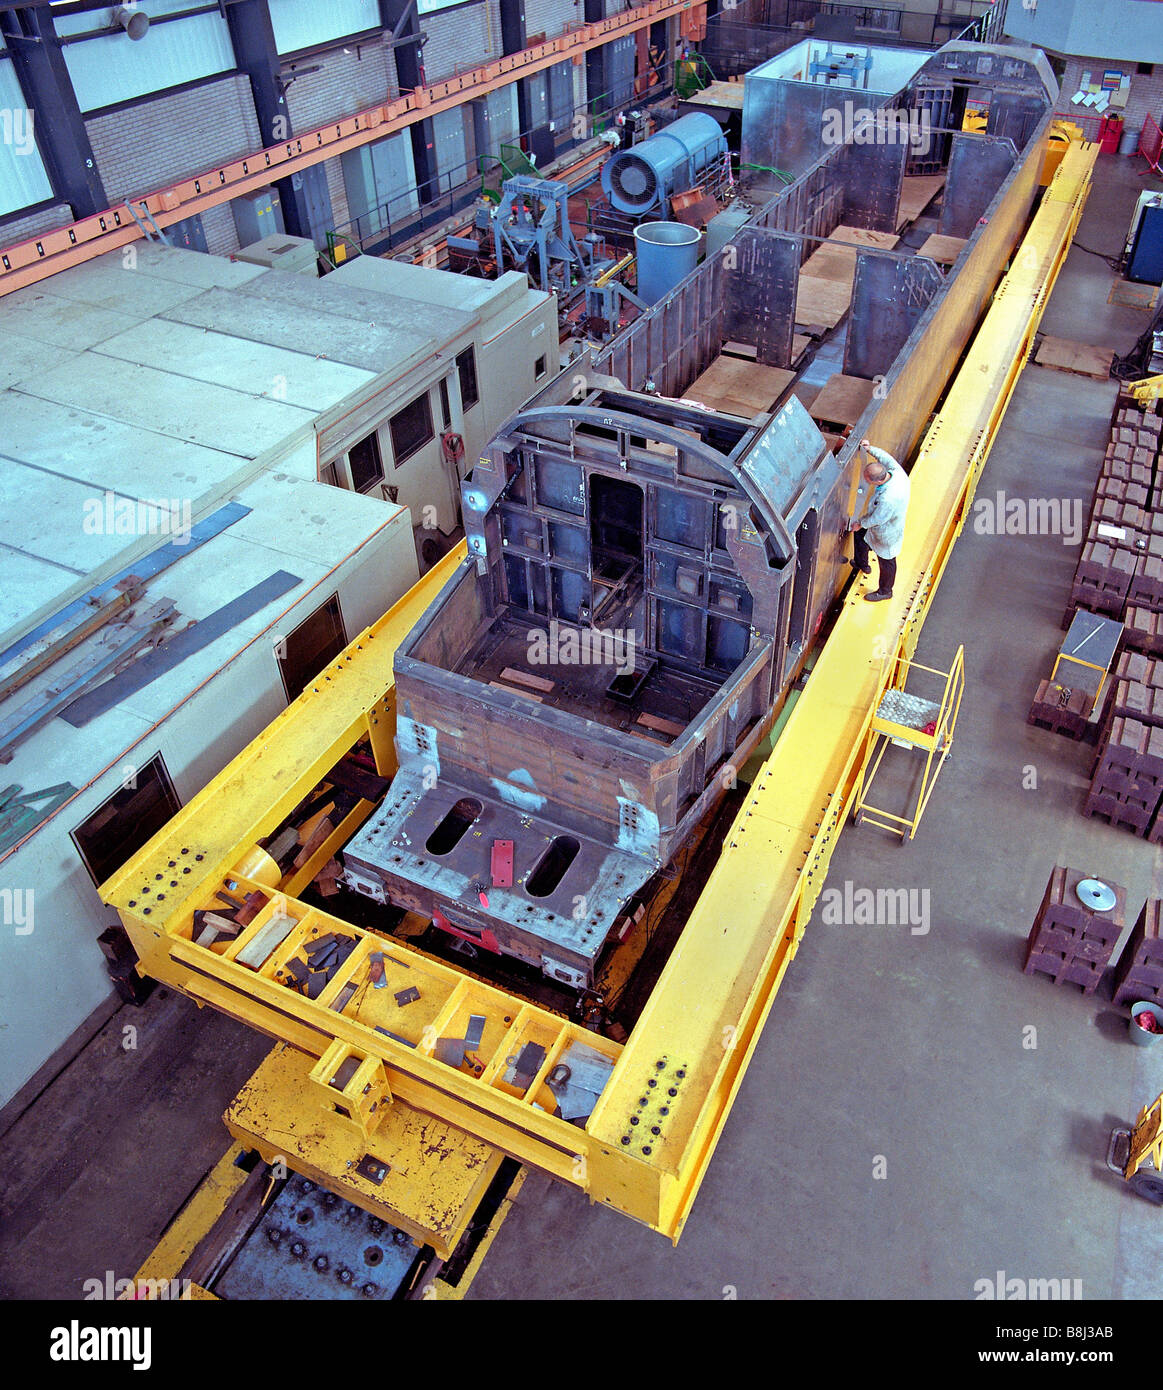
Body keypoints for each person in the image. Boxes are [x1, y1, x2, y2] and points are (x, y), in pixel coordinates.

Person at [847, 439, 909, 602]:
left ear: (876, 481)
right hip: (880, 524)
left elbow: (877, 518)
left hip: (887, 531)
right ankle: (862, 564)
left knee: (886, 560)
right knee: (860, 536)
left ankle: (885, 591)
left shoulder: (888, 499)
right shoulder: (896, 473)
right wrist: (869, 449)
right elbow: (886, 458)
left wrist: (860, 523)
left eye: (867, 479)